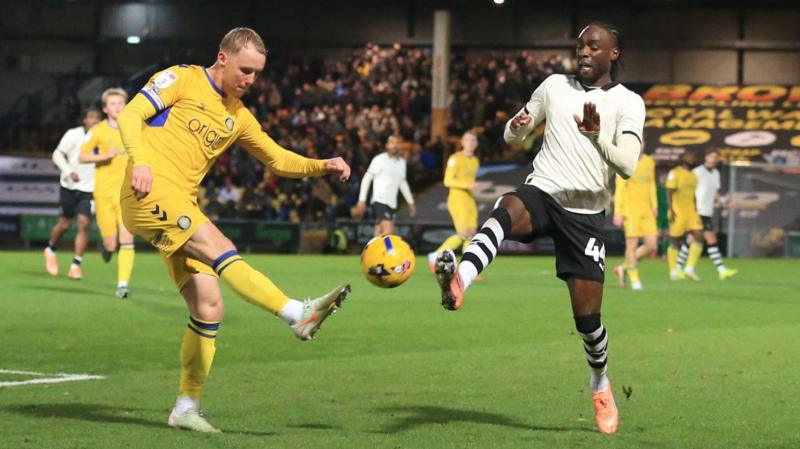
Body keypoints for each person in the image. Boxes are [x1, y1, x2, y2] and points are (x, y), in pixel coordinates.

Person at [117, 27, 352, 433]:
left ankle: (185, 407)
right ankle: (296, 313)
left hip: (181, 204)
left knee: (208, 305)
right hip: (148, 191)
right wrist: (138, 160)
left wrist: (321, 165)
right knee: (219, 244)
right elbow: (129, 114)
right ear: (222, 58)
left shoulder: (238, 116)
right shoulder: (182, 78)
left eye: (257, 73)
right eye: (245, 70)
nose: (251, 80)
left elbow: (277, 159)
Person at [433, 22, 644, 434]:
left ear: (613, 54)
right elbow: (513, 135)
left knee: (588, 323)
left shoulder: (628, 101)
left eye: (593, 47)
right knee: (506, 208)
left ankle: (600, 382)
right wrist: (518, 125)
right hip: (544, 190)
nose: (583, 52)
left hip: (585, 214)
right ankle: (461, 278)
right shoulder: (553, 86)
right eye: (580, 46)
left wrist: (597, 138)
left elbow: (628, 165)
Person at [79, 88, 136, 298]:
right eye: (112, 104)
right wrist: (103, 156)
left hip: (127, 193)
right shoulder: (98, 131)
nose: (117, 107)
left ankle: (122, 286)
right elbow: (82, 156)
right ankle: (107, 247)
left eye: (120, 103)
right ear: (105, 108)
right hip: (103, 193)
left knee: (127, 239)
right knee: (111, 243)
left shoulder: (133, 127)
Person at [43, 107, 102, 279]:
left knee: (84, 223)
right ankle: (51, 249)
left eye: (97, 118)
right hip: (69, 185)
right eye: (91, 117)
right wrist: (69, 172)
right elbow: (57, 155)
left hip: (89, 188)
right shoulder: (73, 134)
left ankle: (76, 265)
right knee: (65, 223)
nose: (94, 121)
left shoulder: (105, 137)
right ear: (85, 120)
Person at [427, 130, 480, 273]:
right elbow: (447, 180)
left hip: (470, 199)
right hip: (457, 199)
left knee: (472, 234)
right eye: (467, 140)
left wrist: (471, 187)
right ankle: (435, 256)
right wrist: (466, 185)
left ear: (476, 144)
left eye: (473, 140)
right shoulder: (455, 158)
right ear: (462, 142)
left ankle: (468, 268)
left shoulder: (475, 161)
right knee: (463, 233)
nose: (470, 143)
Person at [612, 149, 657, 290]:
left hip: (647, 210)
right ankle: (635, 279)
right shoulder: (624, 161)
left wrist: (654, 205)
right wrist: (618, 213)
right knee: (632, 245)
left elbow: (651, 184)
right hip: (630, 210)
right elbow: (619, 189)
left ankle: (623, 268)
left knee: (652, 246)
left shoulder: (649, 161)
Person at [356, 135, 416, 237]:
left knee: (379, 232)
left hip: (392, 203)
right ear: (386, 145)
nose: (395, 146)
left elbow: (402, 183)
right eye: (392, 143)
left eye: (397, 143)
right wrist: (362, 200)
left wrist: (411, 202)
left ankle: (372, 247)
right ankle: (387, 247)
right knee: (388, 230)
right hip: (379, 200)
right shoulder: (379, 159)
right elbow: (367, 178)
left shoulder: (402, 163)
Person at [692, 149, 737, 280]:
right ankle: (722, 270)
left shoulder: (716, 173)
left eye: (716, 157)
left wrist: (724, 202)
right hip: (698, 210)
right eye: (712, 156)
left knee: (693, 240)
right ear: (706, 157)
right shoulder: (697, 172)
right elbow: (689, 189)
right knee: (710, 239)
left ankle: (680, 269)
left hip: (707, 211)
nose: (714, 159)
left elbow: (715, 192)